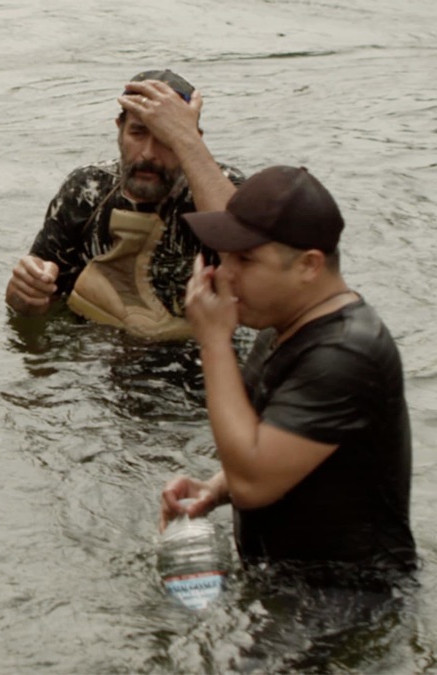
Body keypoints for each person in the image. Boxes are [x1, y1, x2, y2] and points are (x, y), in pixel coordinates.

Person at [161, 165, 415, 587]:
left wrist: (214, 343)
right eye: (224, 256)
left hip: (348, 599)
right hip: (285, 584)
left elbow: (253, 484)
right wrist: (214, 489)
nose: (224, 275)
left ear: (309, 266)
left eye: (246, 259)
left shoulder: (346, 354)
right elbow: (275, 448)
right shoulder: (282, 328)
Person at [6, 69, 244, 339]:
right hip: (95, 352)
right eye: (138, 133)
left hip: (191, 357)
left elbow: (240, 246)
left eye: (167, 137)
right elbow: (31, 303)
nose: (148, 153)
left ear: (193, 139)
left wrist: (186, 140)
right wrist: (24, 294)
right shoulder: (87, 189)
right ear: (120, 130)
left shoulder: (224, 189)